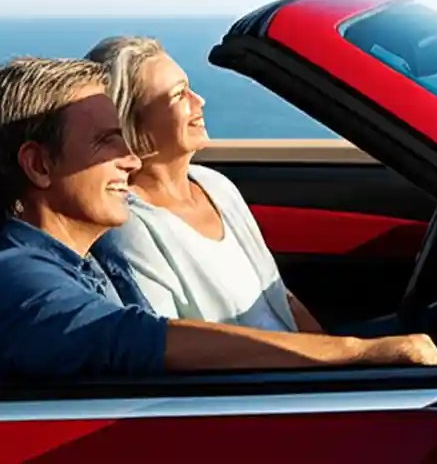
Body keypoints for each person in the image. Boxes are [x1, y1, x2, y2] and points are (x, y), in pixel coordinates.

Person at [0, 56, 437, 378]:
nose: (132, 160)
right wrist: (361, 355)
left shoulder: (81, 263)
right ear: (39, 164)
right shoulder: (14, 285)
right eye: (105, 142)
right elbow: (147, 344)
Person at [84, 36, 318, 333]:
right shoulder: (128, 225)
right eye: (179, 95)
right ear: (131, 122)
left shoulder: (216, 186)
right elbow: (177, 345)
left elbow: (282, 300)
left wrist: (345, 358)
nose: (199, 101)